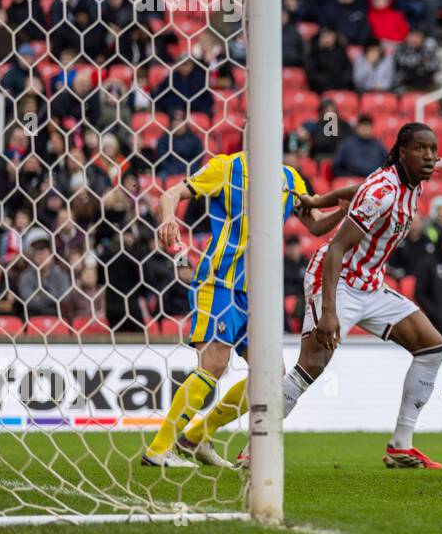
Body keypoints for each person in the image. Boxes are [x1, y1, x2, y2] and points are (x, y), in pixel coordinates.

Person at [143, 151, 337, 468]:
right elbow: (171, 193)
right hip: (218, 282)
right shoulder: (228, 167)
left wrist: (342, 212)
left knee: (271, 375)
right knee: (214, 364)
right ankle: (158, 449)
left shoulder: (290, 179)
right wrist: (168, 218)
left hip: (257, 293)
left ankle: (195, 438)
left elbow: (315, 225)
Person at [288, 124, 442, 468]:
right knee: (313, 365)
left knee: (432, 348)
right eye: (421, 149)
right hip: (336, 279)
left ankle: (400, 446)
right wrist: (329, 311)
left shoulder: (411, 185)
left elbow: (356, 189)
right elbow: (334, 250)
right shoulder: (385, 190)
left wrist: (319, 201)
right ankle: (256, 446)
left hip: (370, 284)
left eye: (433, 150)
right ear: (402, 152)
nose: (430, 157)